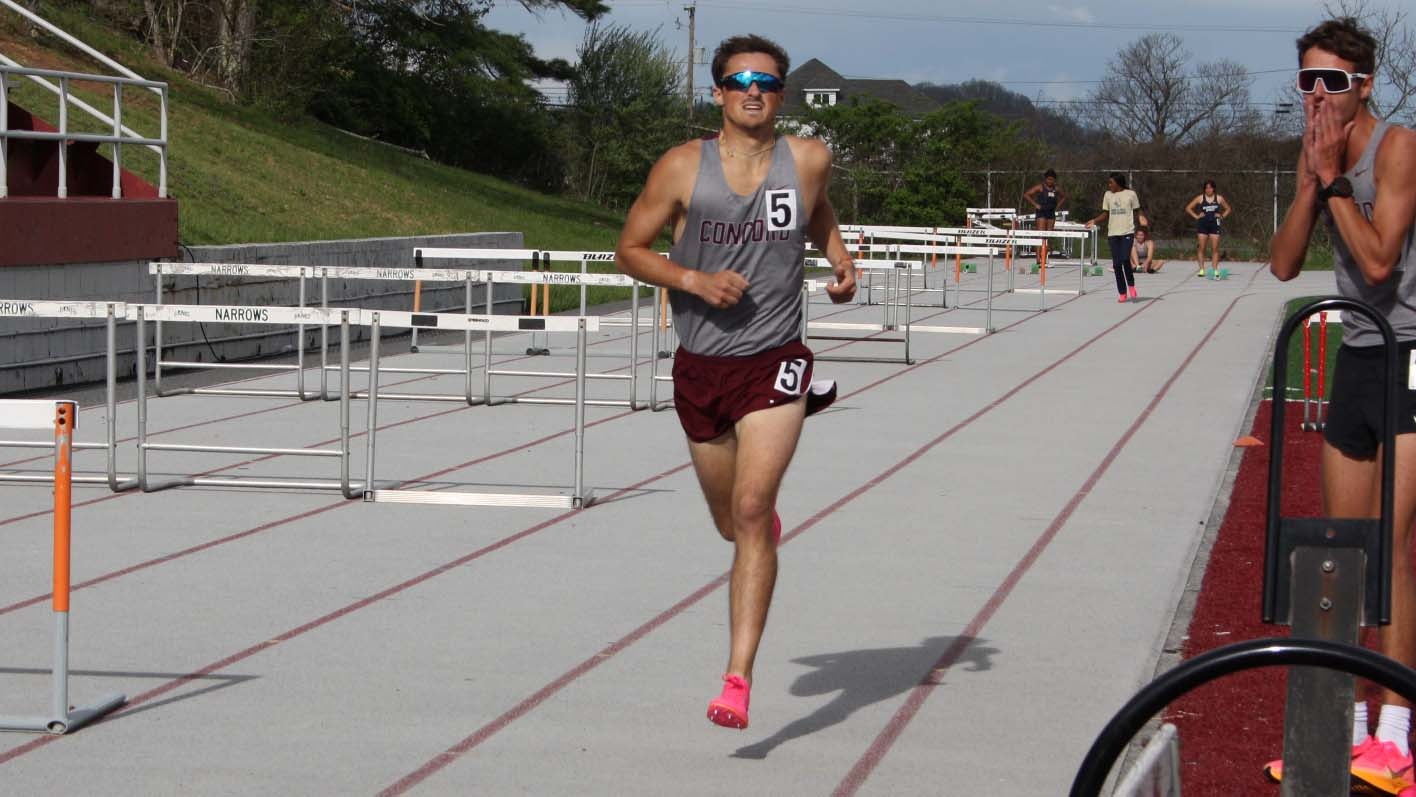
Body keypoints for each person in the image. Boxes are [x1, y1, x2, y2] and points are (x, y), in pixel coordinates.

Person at [615, 34, 857, 731]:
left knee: (753, 510)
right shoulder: (681, 167)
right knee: (733, 523)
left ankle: (738, 676)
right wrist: (690, 278)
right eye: (741, 79)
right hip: (701, 366)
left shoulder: (808, 158)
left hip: (775, 358)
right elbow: (628, 249)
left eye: (770, 82)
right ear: (718, 92)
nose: (756, 91)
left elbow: (815, 210)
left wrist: (839, 260)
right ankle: (756, 529)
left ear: (783, 94)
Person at [1265, 16, 1416, 796]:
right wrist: (1309, 183)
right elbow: (1285, 264)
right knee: (1342, 548)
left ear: (1364, 84)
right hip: (1357, 356)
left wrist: (1332, 183)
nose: (1318, 94)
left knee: (1391, 549)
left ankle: (1395, 732)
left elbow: (1382, 261)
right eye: (1307, 81)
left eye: (1333, 80)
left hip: (1412, 355)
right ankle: (1340, 728)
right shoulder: (1315, 153)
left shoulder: (1398, 147)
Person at [1083, 173, 1149, 303]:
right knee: (1116, 264)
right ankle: (1122, 292)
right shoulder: (1108, 195)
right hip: (1113, 233)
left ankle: (1131, 285)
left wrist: (1141, 217)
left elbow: (1138, 210)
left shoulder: (1131, 194)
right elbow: (1105, 214)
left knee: (1125, 259)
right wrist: (1094, 221)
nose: (1109, 185)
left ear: (1118, 183)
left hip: (1127, 232)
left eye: (1111, 183)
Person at [1185, 179, 1233, 278]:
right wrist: (1196, 216)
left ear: (1213, 188)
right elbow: (1188, 208)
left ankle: (1215, 269)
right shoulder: (1200, 198)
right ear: (1204, 189)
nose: (1208, 190)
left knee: (1215, 248)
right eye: (1206, 188)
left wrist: (1222, 216)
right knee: (1202, 248)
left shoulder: (1219, 198)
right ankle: (1202, 269)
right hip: (1203, 224)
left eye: (1210, 188)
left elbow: (1228, 209)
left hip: (1215, 224)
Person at [1023, 169, 1067, 264]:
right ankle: (1038, 258)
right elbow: (1026, 195)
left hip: (1051, 213)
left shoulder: (1056, 189)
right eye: (1048, 179)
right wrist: (1035, 205)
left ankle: (1044, 257)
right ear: (1045, 179)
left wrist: (1058, 206)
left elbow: (1064, 196)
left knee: (1048, 236)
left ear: (1055, 180)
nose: (1050, 181)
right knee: (1041, 235)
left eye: (1052, 180)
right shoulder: (1040, 187)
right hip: (1041, 213)